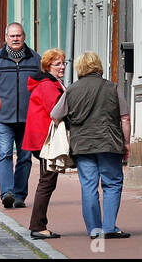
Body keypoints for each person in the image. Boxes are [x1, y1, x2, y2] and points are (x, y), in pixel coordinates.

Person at [51, 51, 131, 239]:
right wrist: (126, 143)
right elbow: (125, 118)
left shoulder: (72, 90)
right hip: (109, 143)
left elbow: (55, 115)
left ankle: (95, 230)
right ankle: (109, 227)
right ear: (98, 67)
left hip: (82, 145)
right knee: (112, 184)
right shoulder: (112, 87)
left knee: (89, 186)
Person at [0, 23, 40, 209]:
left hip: (28, 119)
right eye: (12, 36)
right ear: (5, 37)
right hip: (3, 118)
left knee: (25, 158)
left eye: (18, 35)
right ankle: (7, 192)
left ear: (24, 37)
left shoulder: (35, 59)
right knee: (5, 155)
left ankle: (19, 195)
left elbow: (41, 87)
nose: (15, 39)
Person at [21, 48, 67, 239]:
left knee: (47, 181)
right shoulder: (48, 85)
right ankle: (38, 226)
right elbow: (57, 112)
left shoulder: (50, 83)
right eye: (57, 64)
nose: (62, 66)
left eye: (63, 63)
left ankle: (38, 225)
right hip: (46, 140)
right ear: (48, 66)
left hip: (42, 138)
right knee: (47, 182)